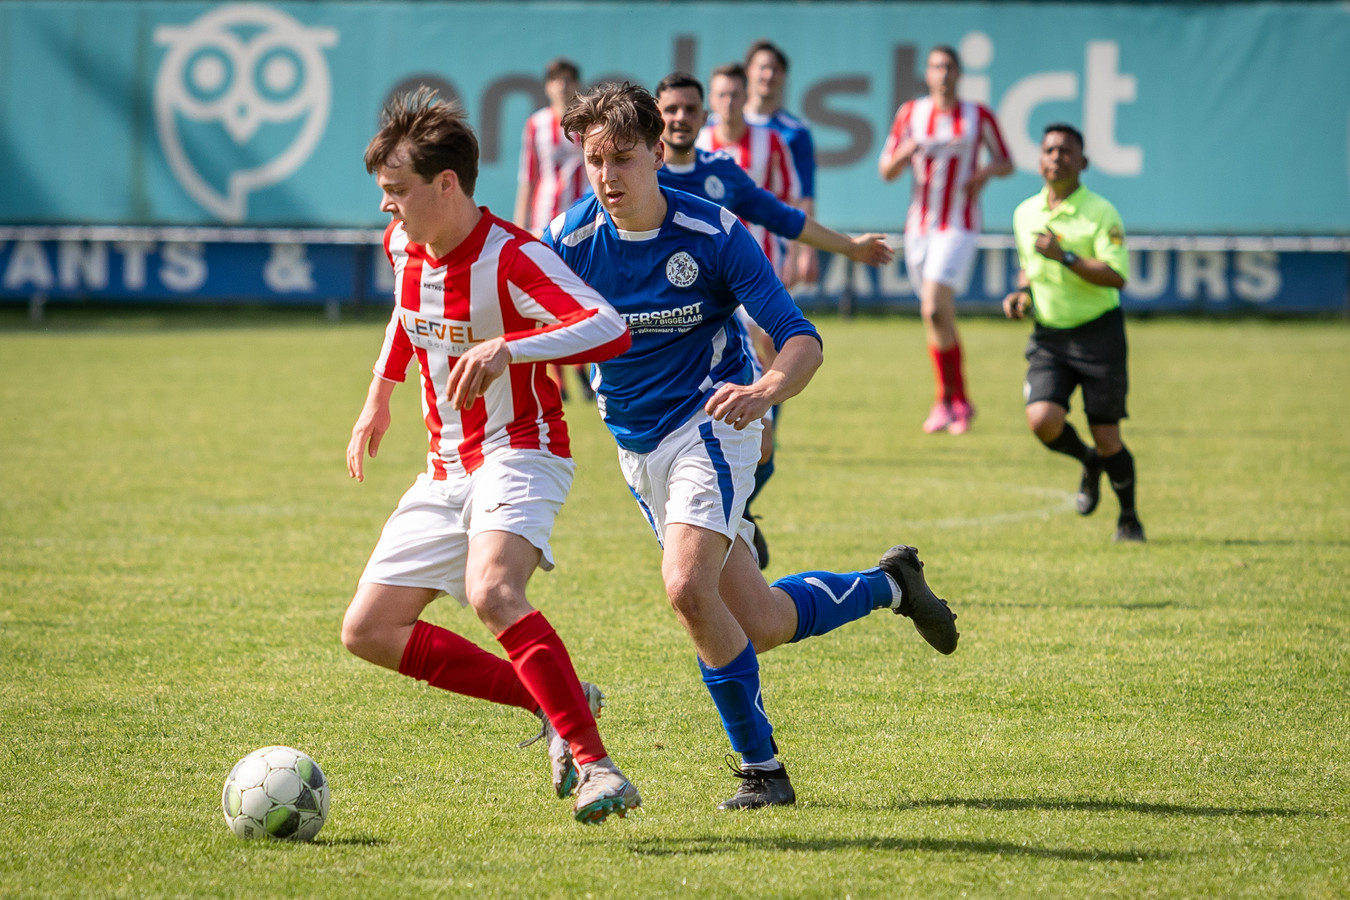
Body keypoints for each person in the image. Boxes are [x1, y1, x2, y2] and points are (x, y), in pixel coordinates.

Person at [542, 82, 959, 811]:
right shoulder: (566, 241)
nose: (607, 176)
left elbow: (801, 339)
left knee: (686, 587)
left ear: (658, 154)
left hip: (715, 423)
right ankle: (892, 585)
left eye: (623, 158)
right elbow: (514, 322)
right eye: (595, 161)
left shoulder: (713, 232)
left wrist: (764, 392)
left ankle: (762, 771)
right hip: (637, 449)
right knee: (758, 623)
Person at [341, 88, 641, 826]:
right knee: (368, 630)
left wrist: (511, 346)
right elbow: (406, 313)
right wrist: (380, 394)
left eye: (397, 190)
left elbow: (608, 327)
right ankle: (556, 702)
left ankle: (598, 766)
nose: (386, 206)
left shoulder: (512, 256)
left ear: (446, 184)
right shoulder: (404, 244)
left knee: (493, 591)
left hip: (522, 449)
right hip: (445, 465)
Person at [654, 71, 893, 570]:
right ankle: (723, 525)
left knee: (762, 447)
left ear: (703, 117)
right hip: (663, 345)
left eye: (689, 109)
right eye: (670, 109)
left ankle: (737, 514)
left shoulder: (722, 174)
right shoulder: (639, 178)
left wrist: (848, 247)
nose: (680, 118)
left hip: (722, 331)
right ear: (657, 115)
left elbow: (782, 217)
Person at [1003, 123, 1145, 543]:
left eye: (1066, 151)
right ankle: (1087, 460)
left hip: (1099, 335)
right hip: (1050, 336)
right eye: (1049, 150)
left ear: (1083, 162)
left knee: (1108, 436)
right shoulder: (1025, 213)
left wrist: (1065, 256)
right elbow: (1028, 268)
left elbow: (1117, 275)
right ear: (1039, 161)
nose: (1057, 157)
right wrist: (1022, 295)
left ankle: (1129, 519)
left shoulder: (1101, 212)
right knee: (1042, 420)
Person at [879, 44, 1013, 435]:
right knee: (938, 316)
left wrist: (985, 173)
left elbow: (1006, 161)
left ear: (959, 74)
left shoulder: (978, 115)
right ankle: (957, 402)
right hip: (919, 227)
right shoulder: (911, 114)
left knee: (934, 307)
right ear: (927, 73)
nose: (943, 74)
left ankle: (947, 399)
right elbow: (886, 170)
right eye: (937, 67)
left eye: (950, 67)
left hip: (959, 224)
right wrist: (905, 153)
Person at [512, 57, 594, 402]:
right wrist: (520, 227)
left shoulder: (589, 121)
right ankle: (559, 377)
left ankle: (582, 367)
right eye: (556, 80)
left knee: (584, 294)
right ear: (547, 87)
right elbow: (528, 177)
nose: (562, 85)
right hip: (545, 223)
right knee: (548, 299)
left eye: (567, 78)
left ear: (576, 84)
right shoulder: (536, 124)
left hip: (583, 221)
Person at [697, 63, 801, 281]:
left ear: (746, 96)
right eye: (722, 95)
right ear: (711, 99)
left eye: (734, 95)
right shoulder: (698, 143)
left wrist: (793, 256)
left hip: (762, 258)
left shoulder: (771, 140)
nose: (728, 102)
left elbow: (790, 199)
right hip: (709, 260)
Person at [743, 39, 819, 287]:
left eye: (775, 69)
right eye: (763, 67)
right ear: (748, 71)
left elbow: (804, 194)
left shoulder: (795, 132)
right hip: (726, 239)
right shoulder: (717, 129)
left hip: (776, 243)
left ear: (784, 76)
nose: (768, 75)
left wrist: (806, 251)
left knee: (769, 310)